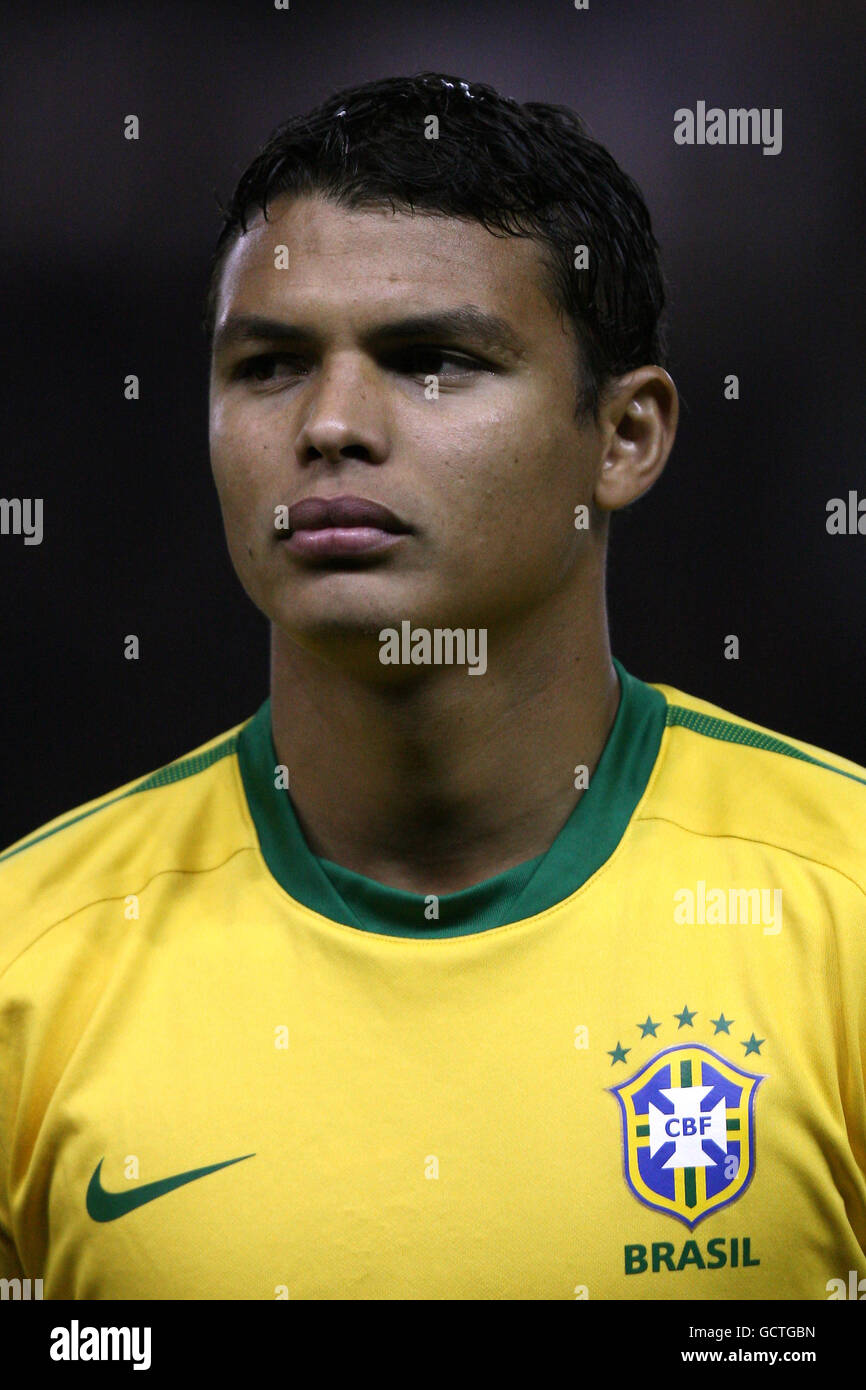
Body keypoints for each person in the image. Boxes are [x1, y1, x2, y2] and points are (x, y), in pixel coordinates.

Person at [1, 73, 863, 1301]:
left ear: (624, 438)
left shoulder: (842, 914)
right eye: (268, 366)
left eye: (433, 360)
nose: (332, 424)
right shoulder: (28, 966)